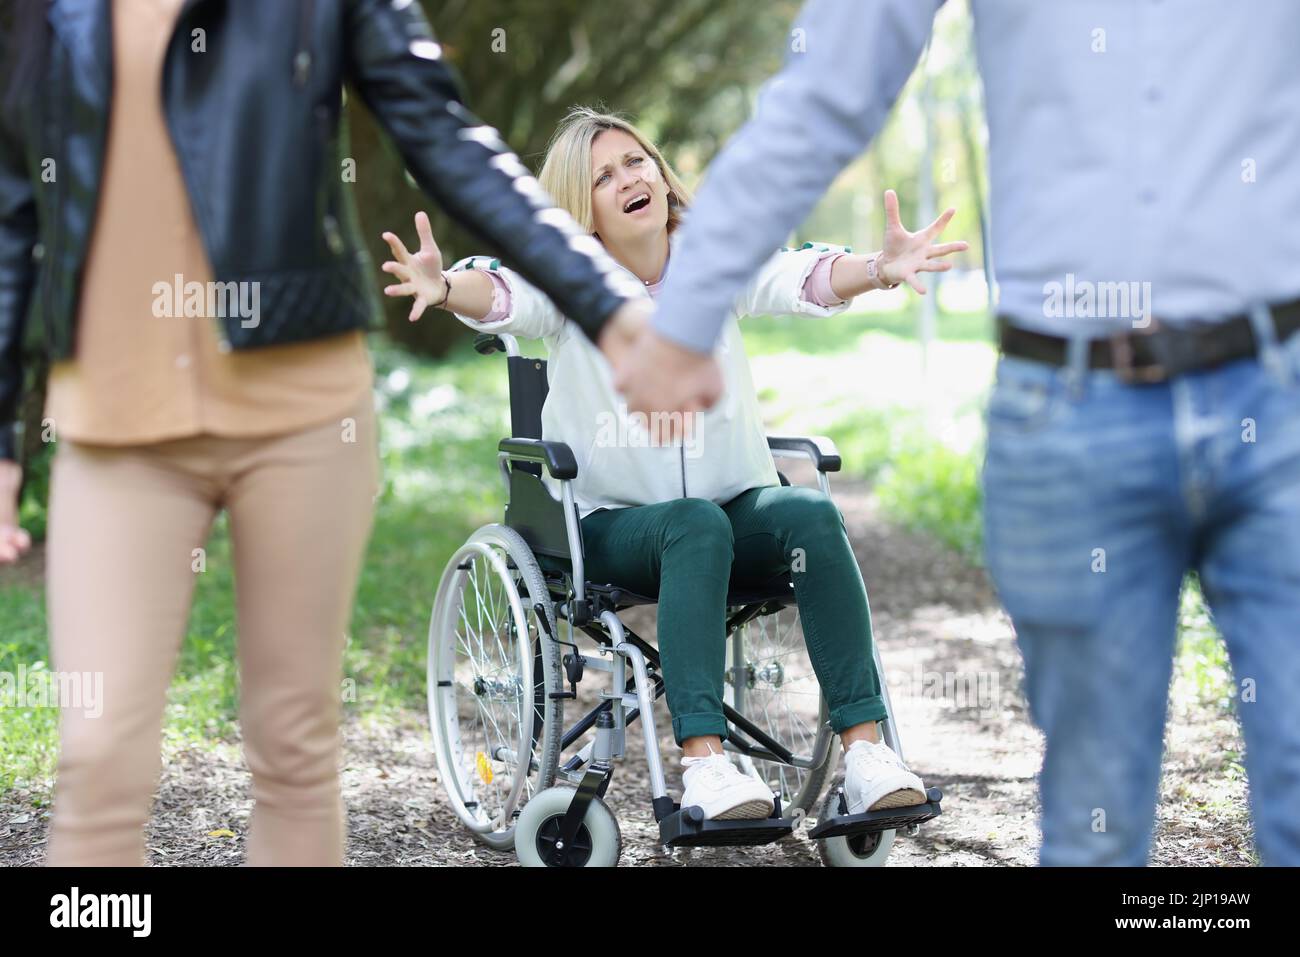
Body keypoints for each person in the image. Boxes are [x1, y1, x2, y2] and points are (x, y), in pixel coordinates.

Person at [632, 0, 1300, 865]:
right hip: (1073, 408)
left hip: (1280, 385)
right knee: (1098, 802)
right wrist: (678, 316)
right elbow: (830, 86)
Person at [0, 0, 648, 865]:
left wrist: (604, 302)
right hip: (113, 422)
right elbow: (12, 213)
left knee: (293, 743)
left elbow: (445, 138)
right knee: (97, 757)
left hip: (301, 411)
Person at [380, 107, 966, 819]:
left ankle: (868, 754)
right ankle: (707, 767)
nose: (631, 178)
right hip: (608, 527)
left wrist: (877, 269)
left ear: (660, 172)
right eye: (604, 175)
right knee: (694, 524)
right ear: (582, 207)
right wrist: (445, 288)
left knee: (808, 510)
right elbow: (501, 291)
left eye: (636, 161)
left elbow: (799, 276)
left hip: (724, 512)